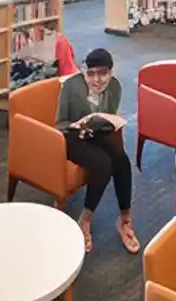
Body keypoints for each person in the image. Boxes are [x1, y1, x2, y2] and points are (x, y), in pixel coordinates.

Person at [55, 48, 138, 254]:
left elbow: (108, 119)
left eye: (103, 73)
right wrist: (77, 127)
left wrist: (104, 124)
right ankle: (85, 220)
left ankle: (125, 219)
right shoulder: (70, 87)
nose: (97, 79)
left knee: (122, 161)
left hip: (97, 133)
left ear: (111, 72)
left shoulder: (115, 87)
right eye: (91, 73)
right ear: (84, 72)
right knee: (103, 164)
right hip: (72, 137)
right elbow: (59, 124)